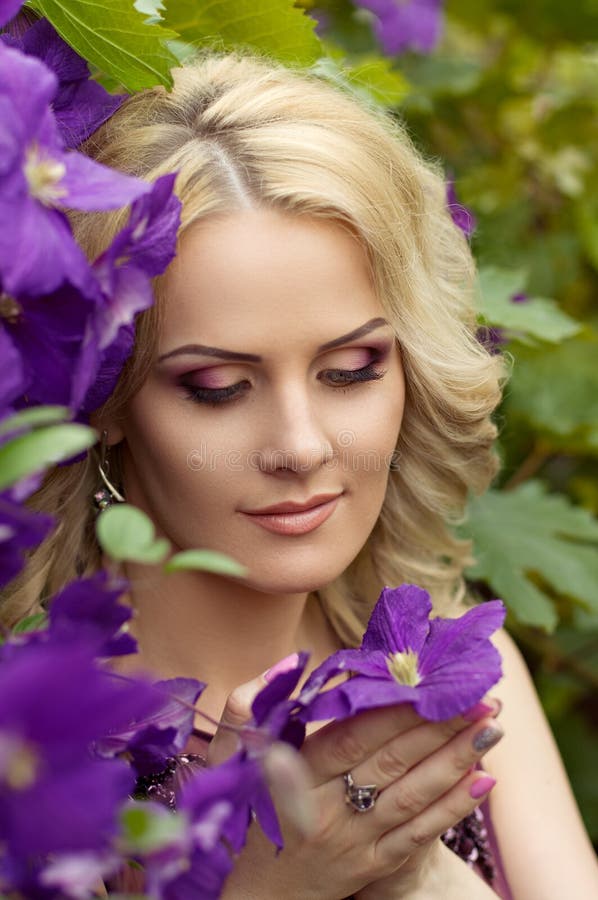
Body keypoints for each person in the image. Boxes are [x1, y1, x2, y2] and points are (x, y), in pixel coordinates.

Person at [6, 53, 598, 898]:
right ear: (103, 397)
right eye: (217, 388)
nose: (302, 445)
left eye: (351, 370)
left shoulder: (457, 663)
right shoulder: (32, 750)